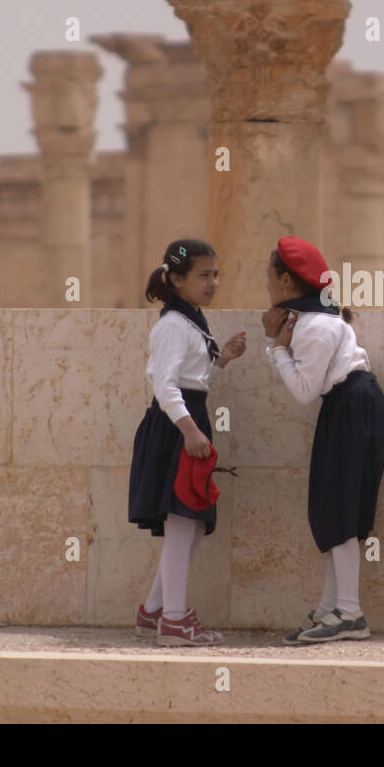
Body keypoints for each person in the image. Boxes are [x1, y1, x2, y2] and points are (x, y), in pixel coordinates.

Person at [262, 236, 384, 644]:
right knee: (338, 507)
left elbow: (303, 391)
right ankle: (331, 608)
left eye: (269, 276)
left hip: (351, 407)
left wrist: (276, 348)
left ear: (285, 280)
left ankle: (350, 614)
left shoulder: (315, 327)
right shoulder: (315, 321)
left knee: (341, 509)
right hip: (349, 407)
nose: (266, 284)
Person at [129, 239, 245, 646]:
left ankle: (154, 612)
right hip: (176, 428)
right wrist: (190, 432)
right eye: (203, 275)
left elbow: (196, 382)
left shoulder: (191, 321)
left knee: (191, 526)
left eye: (215, 274)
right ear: (176, 279)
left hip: (186, 422)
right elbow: (165, 385)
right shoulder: (174, 326)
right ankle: (174, 621)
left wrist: (223, 359)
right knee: (182, 523)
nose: (212, 283)